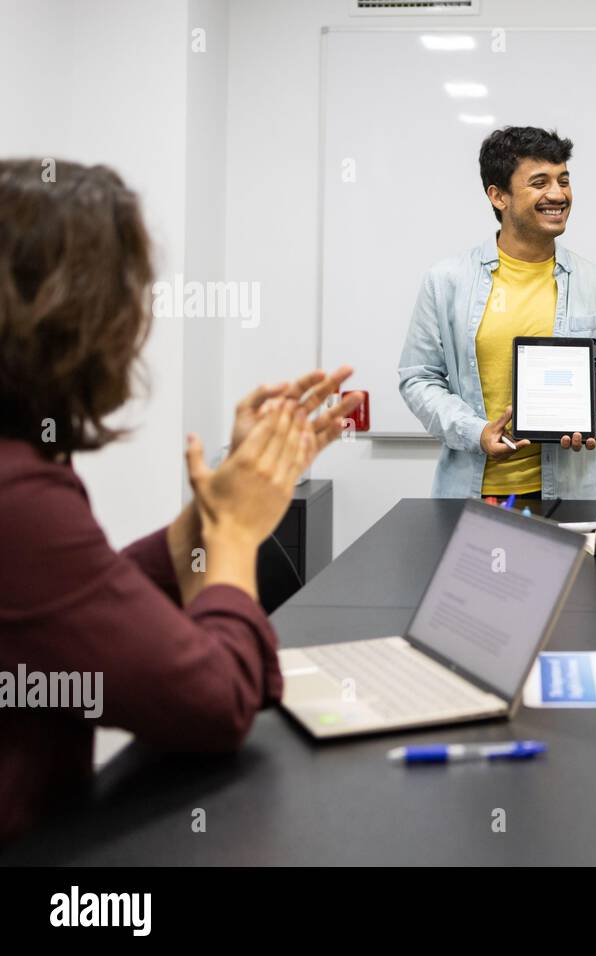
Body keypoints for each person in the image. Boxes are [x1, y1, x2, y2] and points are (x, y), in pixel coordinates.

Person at [0, 159, 362, 843]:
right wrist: (231, 537)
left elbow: (80, 604)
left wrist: (215, 509)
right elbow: (218, 702)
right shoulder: (18, 499)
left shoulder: (25, 468)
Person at [398, 126, 596, 501]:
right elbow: (418, 378)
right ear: (499, 196)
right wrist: (474, 431)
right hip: (474, 496)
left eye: (563, 180)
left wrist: (594, 420)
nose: (558, 195)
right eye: (539, 182)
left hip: (571, 499)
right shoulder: (446, 281)